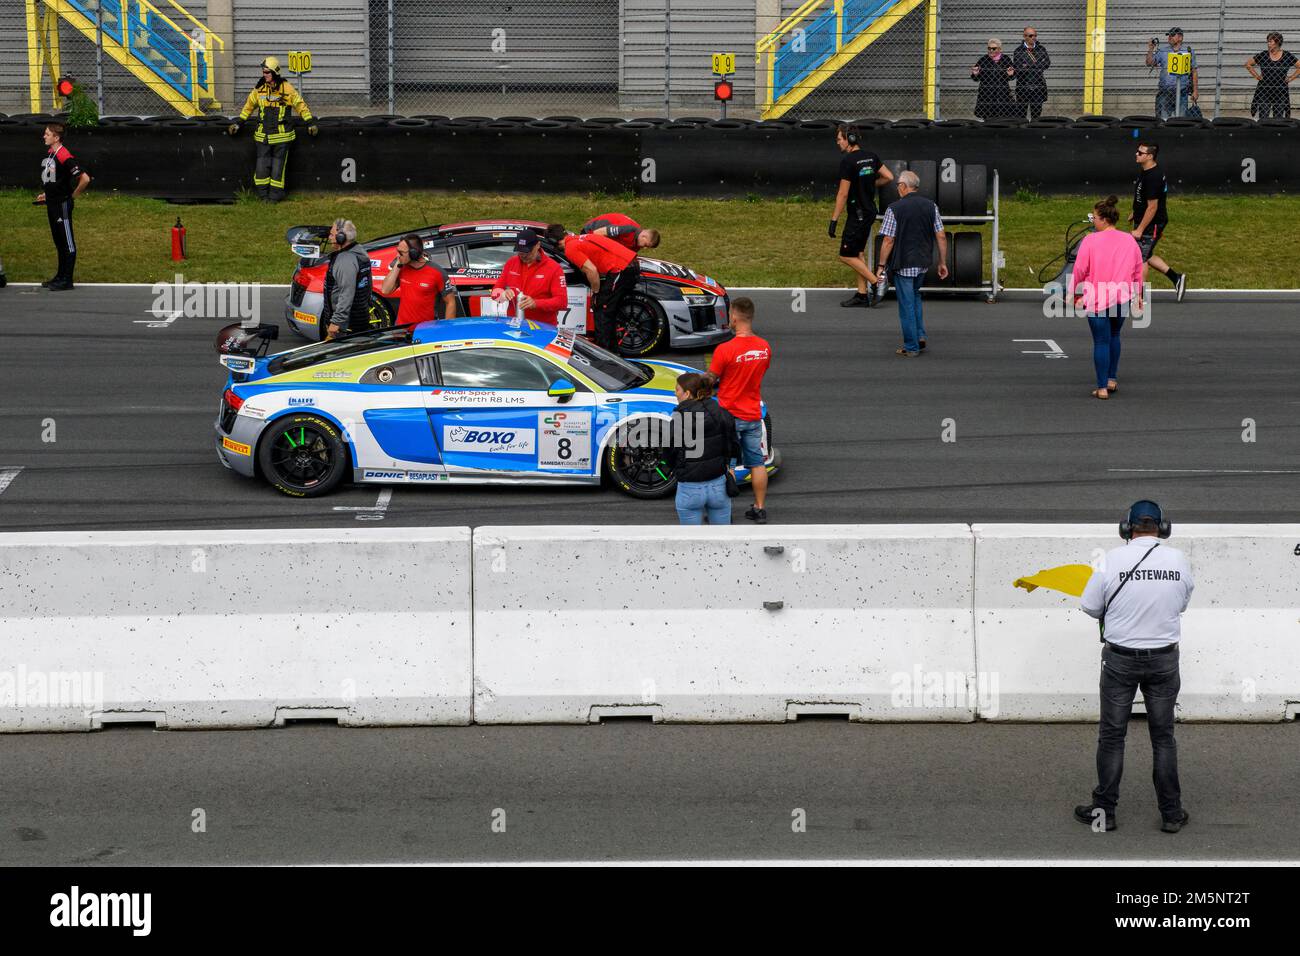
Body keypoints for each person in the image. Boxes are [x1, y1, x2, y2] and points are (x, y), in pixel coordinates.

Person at [1077, 500, 1194, 834]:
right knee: (1163, 737)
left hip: (1120, 659)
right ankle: (1171, 813)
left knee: (1112, 736)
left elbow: (1089, 606)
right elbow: (1182, 603)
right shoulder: (1179, 560)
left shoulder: (1111, 560)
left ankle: (1105, 812)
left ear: (1126, 528)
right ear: (1163, 527)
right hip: (1164, 658)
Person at [1070, 196, 1144, 400]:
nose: (1092, 220)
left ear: (1103, 219)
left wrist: (1074, 293)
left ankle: (1102, 387)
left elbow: (1079, 270)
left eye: (1094, 217)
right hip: (1122, 297)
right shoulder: (1129, 239)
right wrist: (1139, 295)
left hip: (1097, 297)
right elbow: (1138, 270)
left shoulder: (1090, 240)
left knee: (1101, 341)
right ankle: (1112, 378)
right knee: (1114, 335)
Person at [708, 297, 771, 524]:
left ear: (734, 317)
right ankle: (759, 508)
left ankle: (723, 512)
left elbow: (710, 380)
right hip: (753, 414)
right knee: (757, 463)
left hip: (728, 415)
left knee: (727, 463)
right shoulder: (764, 347)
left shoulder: (725, 349)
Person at [877, 170, 948, 357]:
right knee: (915, 298)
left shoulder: (894, 209)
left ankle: (911, 346)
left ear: (903, 186)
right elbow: (940, 235)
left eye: (897, 185)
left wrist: (881, 266)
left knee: (906, 304)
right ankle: (920, 335)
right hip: (923, 262)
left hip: (903, 263)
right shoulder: (931, 206)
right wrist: (942, 262)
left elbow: (888, 241)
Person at [228, 56, 317, 202]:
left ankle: (275, 196)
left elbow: (300, 105)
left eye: (267, 72)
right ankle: (263, 196)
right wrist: (239, 123)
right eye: (263, 72)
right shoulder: (259, 89)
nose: (264, 75)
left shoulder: (287, 89)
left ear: (275, 72)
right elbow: (248, 107)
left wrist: (310, 123)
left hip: (282, 138)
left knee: (277, 168)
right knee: (261, 167)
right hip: (263, 137)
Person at [829, 124, 893, 308]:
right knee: (858, 253)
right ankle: (862, 294)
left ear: (850, 139)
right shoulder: (871, 157)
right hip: (869, 211)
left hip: (857, 214)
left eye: (839, 139)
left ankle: (877, 282)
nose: (838, 143)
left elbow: (842, 194)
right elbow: (888, 176)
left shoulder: (848, 162)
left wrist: (834, 220)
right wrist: (870, 185)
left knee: (845, 255)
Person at [546, 224, 638, 352]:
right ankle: (611, 349)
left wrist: (595, 292)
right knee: (607, 309)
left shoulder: (570, 248)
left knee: (601, 308)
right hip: (629, 264)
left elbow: (592, 271)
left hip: (621, 270)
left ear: (554, 242)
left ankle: (605, 353)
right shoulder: (582, 237)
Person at [669, 372, 739, 526]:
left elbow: (672, 451)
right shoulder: (721, 412)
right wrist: (730, 467)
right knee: (723, 541)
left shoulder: (680, 418)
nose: (675, 393)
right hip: (718, 485)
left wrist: (676, 469)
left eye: (677, 390)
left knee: (691, 544)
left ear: (687, 394)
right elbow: (733, 444)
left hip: (689, 487)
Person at [36, 122, 90, 291]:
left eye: (47, 134)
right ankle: (59, 277)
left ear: (56, 137)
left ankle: (67, 280)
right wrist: (47, 194)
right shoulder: (51, 154)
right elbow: (55, 180)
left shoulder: (64, 155)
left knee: (67, 242)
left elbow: (85, 179)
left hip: (62, 205)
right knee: (59, 242)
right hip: (52, 203)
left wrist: (71, 197)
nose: (44, 136)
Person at [1130, 142, 1186, 302]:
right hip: (1144, 219)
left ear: (1149, 156)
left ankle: (1138, 295)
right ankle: (1176, 278)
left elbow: (1153, 207)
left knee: (1140, 257)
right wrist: (1135, 211)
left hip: (1151, 223)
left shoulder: (1154, 176)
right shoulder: (1146, 171)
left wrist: (1140, 229)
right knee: (1146, 253)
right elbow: (1143, 196)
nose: (1136, 154)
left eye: (1140, 153)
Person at [489, 230, 567, 324]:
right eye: (520, 252)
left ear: (537, 245)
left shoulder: (554, 268)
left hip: (543, 327)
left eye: (527, 251)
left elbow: (562, 302)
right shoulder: (511, 263)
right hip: (514, 326)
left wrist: (536, 303)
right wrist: (503, 295)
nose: (524, 256)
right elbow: (495, 292)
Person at [380, 234, 456, 327]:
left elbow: (450, 301)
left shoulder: (437, 272)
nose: (397, 255)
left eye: (401, 252)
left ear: (413, 253)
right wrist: (398, 263)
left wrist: (448, 328)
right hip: (401, 328)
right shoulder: (401, 267)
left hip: (426, 329)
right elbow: (385, 290)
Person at [322, 219, 373, 340]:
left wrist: (336, 322)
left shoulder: (345, 260)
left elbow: (346, 293)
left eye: (332, 234)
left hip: (345, 326)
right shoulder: (359, 251)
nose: (329, 238)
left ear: (341, 237)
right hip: (360, 317)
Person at [1147, 28, 1198, 121]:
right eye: (1169, 35)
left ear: (1180, 37)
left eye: (1172, 35)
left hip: (1182, 91)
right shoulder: (1163, 51)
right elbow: (1149, 63)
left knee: (1181, 119)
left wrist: (1195, 91)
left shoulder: (1188, 51)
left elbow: (1194, 71)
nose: (1169, 37)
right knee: (1163, 119)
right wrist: (1151, 49)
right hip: (1165, 91)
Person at [1246, 32, 1299, 119]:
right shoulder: (1263, 55)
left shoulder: (1287, 56)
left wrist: (1290, 78)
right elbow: (1248, 64)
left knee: (1278, 118)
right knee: (1263, 117)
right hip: (1264, 90)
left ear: (1277, 42)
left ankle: (1276, 132)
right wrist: (1257, 77)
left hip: (1281, 90)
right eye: (1268, 41)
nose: (1268, 43)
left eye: (1270, 41)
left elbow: (1299, 66)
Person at [971, 38, 1017, 120]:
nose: (991, 50)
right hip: (986, 94)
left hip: (1002, 93)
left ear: (999, 49)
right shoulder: (983, 60)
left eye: (994, 48)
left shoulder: (1005, 59)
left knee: (1003, 118)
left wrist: (1010, 74)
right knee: (987, 119)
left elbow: (1012, 77)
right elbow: (976, 79)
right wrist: (975, 74)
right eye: (989, 48)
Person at [1012, 27, 1051, 121]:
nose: (1033, 37)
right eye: (1030, 35)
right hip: (1023, 85)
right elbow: (1019, 67)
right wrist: (1037, 64)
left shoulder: (1041, 49)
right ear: (1024, 36)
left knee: (1036, 114)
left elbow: (1047, 63)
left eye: (1035, 35)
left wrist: (1027, 65)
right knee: (1021, 113)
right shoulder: (1018, 51)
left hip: (1038, 85)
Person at [580, 213, 660, 252]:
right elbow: (597, 233)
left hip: (604, 237)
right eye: (646, 245)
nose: (644, 248)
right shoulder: (627, 228)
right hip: (590, 231)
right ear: (644, 236)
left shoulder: (637, 244)